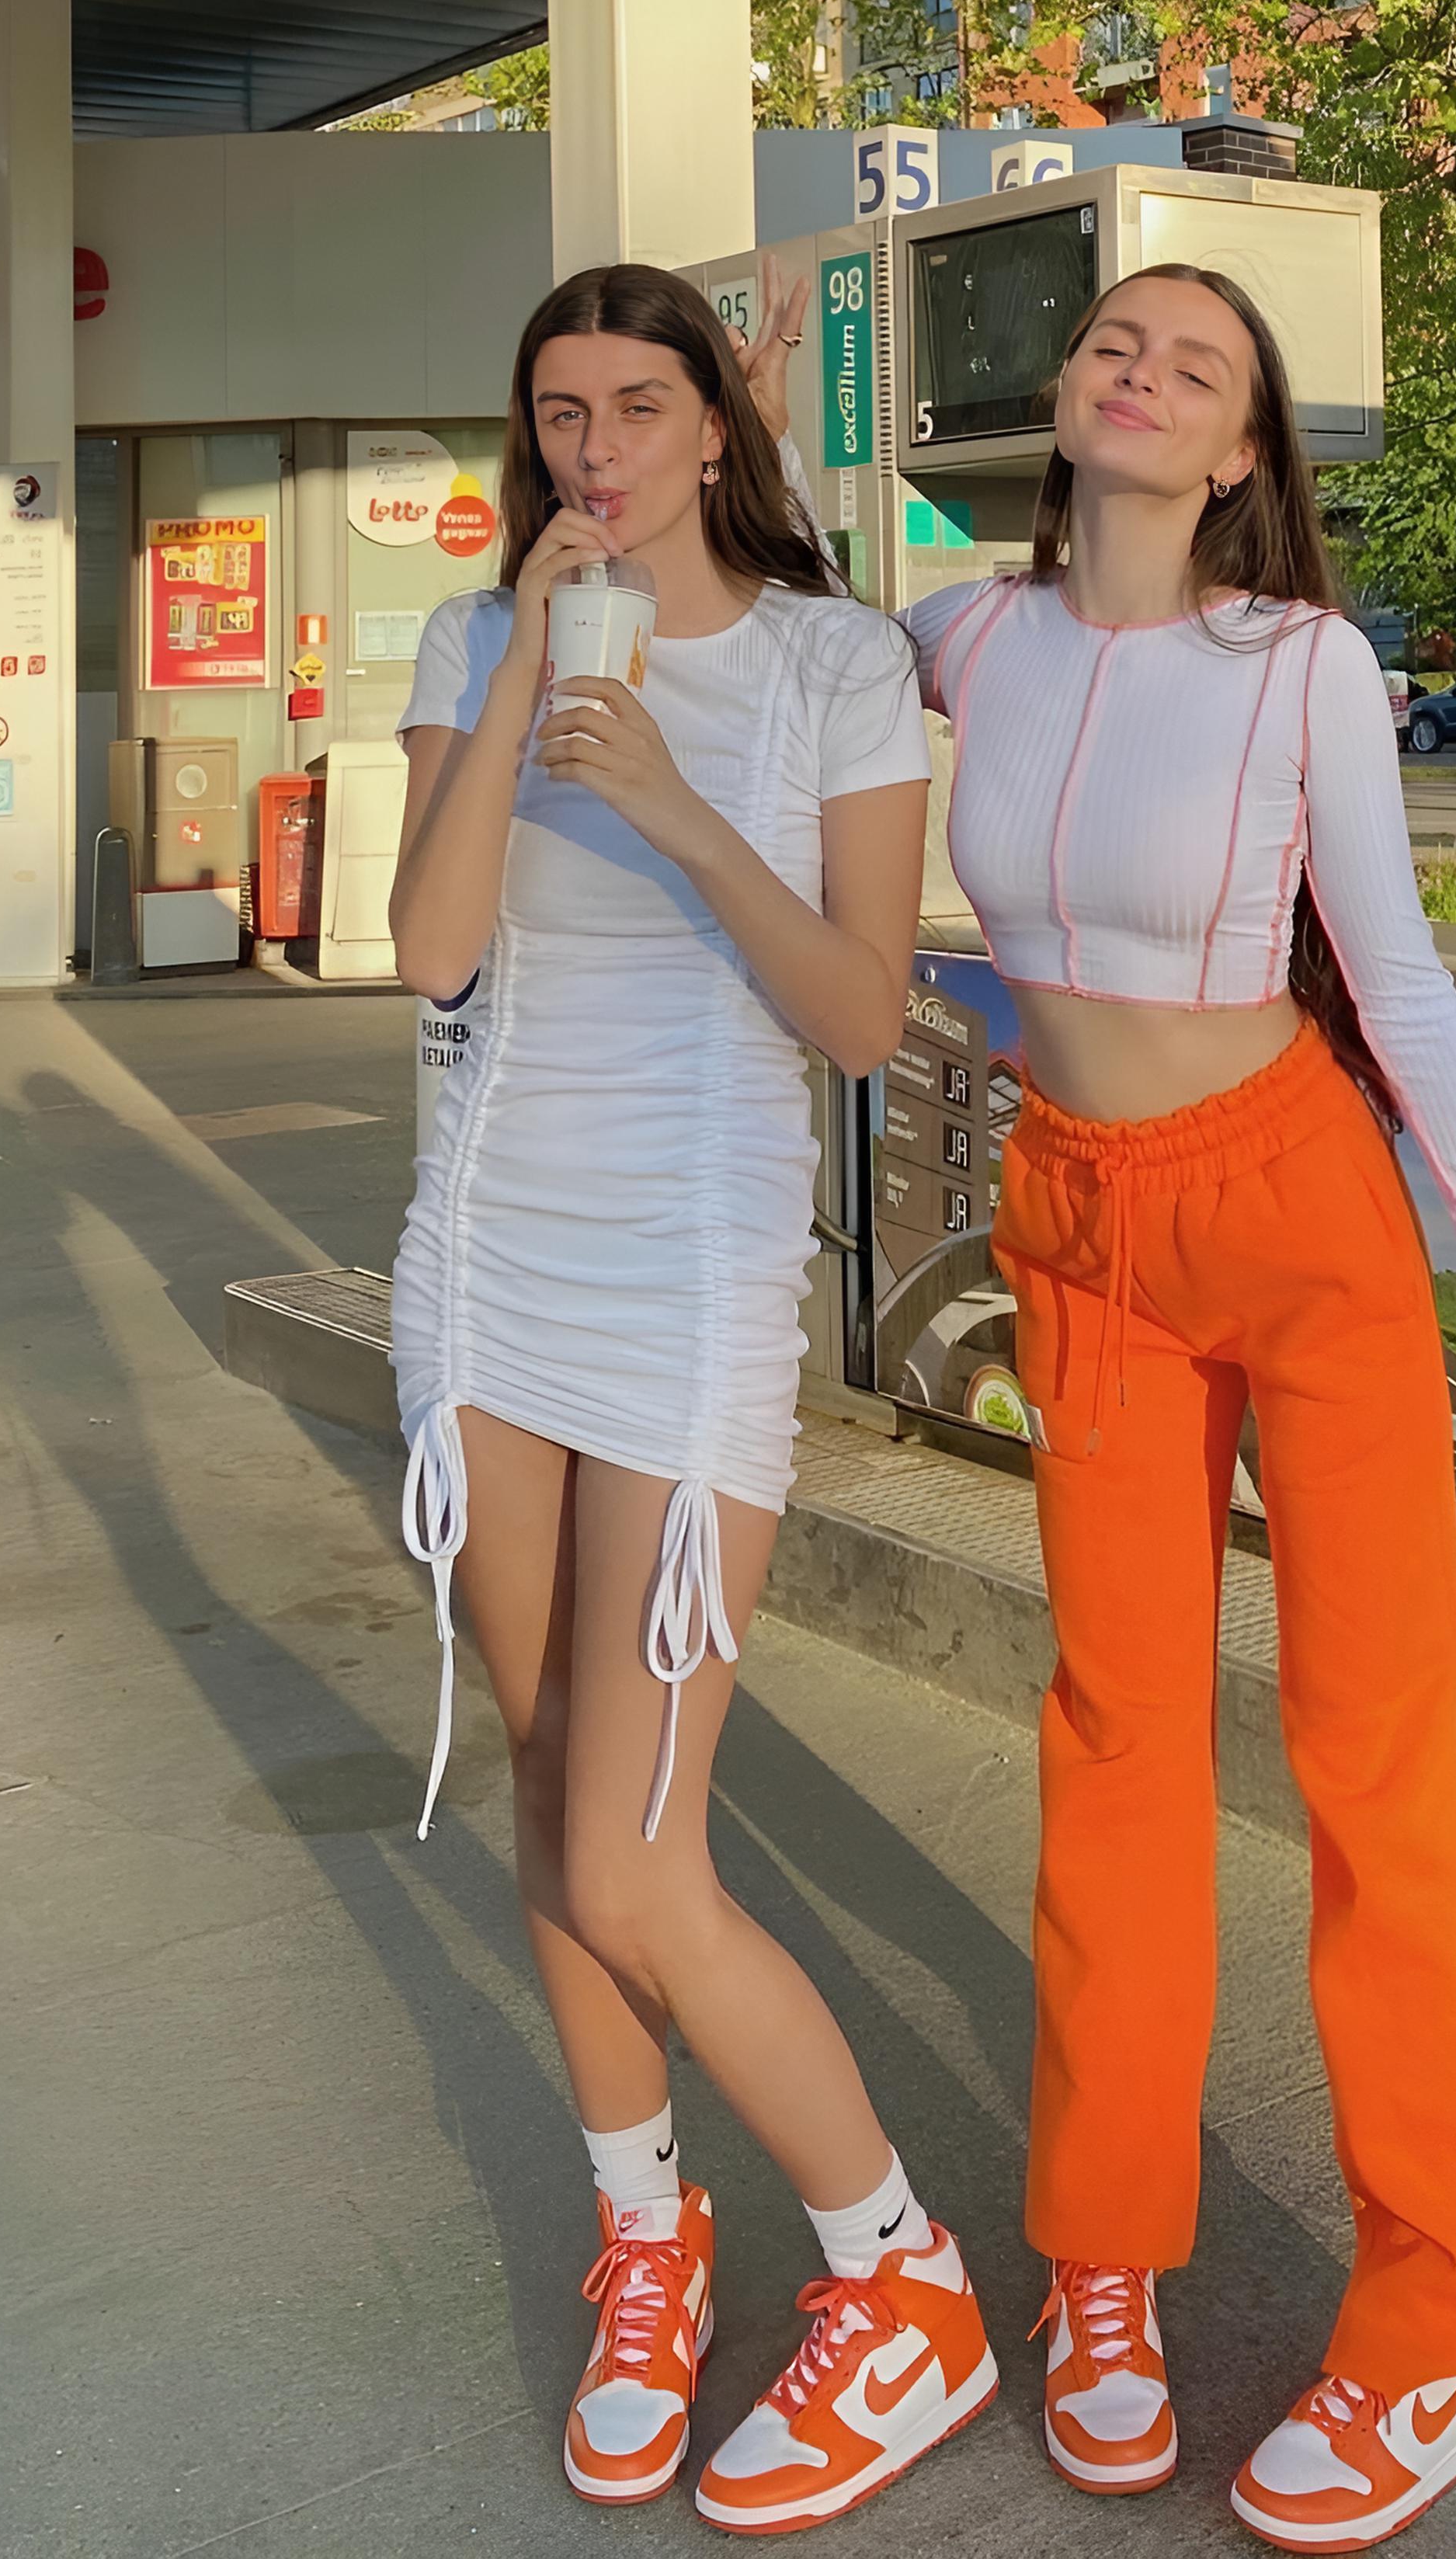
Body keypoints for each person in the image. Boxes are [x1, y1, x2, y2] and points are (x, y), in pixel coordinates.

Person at [902, 264, 1456, 2551]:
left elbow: (1393, 970)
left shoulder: (1298, 662)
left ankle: (1437, 2335)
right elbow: (738, 634)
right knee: (1115, 1738)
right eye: (1118, 337)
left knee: (1373, 1762)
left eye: (1197, 364)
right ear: (1061, 400)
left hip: (1298, 1216)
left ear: (1239, 460)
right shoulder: (956, 635)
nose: (1141, 366)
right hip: (1081, 1220)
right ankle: (1100, 2266)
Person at [387, 263, 995, 2534]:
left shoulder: (842, 662)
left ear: (722, 424)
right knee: (558, 1808)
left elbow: (861, 1014)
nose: (600, 449)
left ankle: (898, 2278)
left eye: (643, 405)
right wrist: (544, 661)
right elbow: (432, 952)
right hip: (485, 1276)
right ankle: (654, 2241)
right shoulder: (476, 642)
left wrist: (668, 787)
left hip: (689, 1286)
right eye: (562, 413)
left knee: (644, 1849)